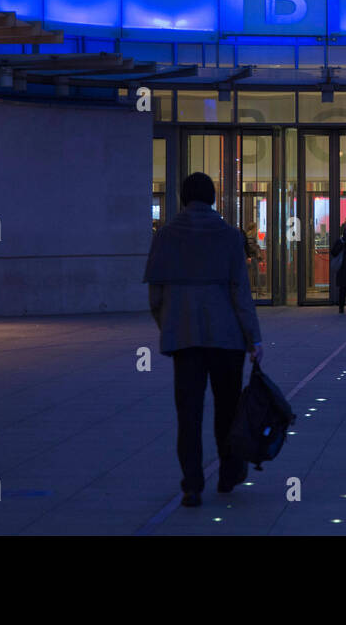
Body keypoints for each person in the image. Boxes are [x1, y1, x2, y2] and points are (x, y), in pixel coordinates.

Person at [143, 172, 263, 508]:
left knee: (189, 414)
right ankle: (228, 474)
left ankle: (192, 484)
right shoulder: (229, 237)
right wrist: (254, 338)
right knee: (227, 409)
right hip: (227, 340)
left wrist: (168, 324)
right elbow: (241, 292)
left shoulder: (165, 236)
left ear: (182, 197)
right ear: (212, 199)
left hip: (186, 339)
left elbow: (155, 295)